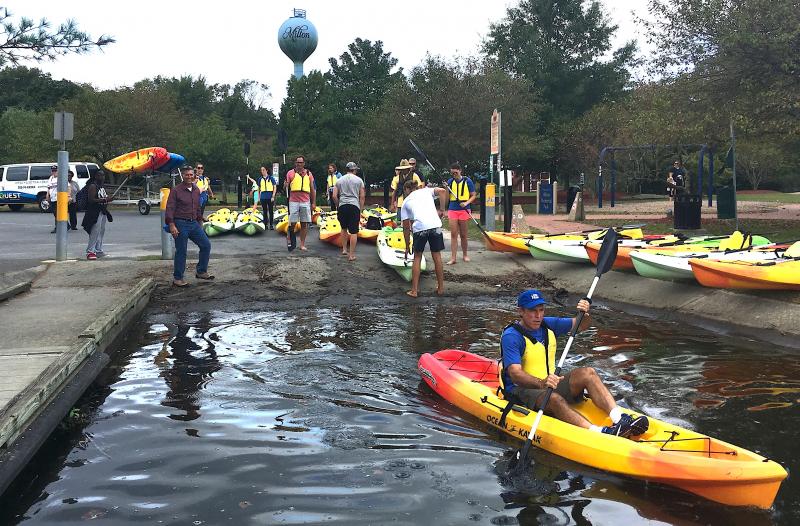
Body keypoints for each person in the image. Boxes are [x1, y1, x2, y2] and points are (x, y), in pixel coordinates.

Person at [499, 290, 649, 438]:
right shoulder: (512, 336)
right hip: (521, 391)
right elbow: (515, 374)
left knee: (588, 373)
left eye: (541, 310)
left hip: (550, 383)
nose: (538, 316)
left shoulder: (547, 325)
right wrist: (541, 382)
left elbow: (579, 325)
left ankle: (619, 419)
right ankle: (601, 433)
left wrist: (583, 313)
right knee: (554, 399)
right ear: (521, 311)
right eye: (533, 311)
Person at [166, 165, 214, 287]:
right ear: (182, 176)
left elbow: (197, 207)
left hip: (193, 223)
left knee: (206, 245)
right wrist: (171, 225)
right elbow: (170, 208)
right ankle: (178, 278)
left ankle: (201, 271)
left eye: (191, 174)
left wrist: (200, 218)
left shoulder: (196, 189)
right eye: (186, 174)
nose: (189, 176)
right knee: (181, 251)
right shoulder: (176, 191)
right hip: (180, 223)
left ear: (194, 175)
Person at [400, 179, 447, 298]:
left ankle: (414, 291)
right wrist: (442, 210)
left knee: (417, 257)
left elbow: (406, 228)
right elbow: (442, 191)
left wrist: (406, 246)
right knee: (436, 256)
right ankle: (440, 288)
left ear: (406, 190)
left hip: (420, 228)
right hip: (435, 225)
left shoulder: (405, 202)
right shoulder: (426, 191)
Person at [444, 163, 476, 264]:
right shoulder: (450, 182)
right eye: (452, 173)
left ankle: (465, 255)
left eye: (456, 173)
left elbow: (473, 195)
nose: (454, 175)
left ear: (460, 171)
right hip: (452, 209)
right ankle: (453, 258)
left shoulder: (468, 181)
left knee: (463, 235)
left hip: (464, 209)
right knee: (453, 234)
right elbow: (447, 198)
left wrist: (466, 203)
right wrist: (446, 188)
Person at [333, 161, 366, 261]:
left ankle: (344, 249)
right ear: (354, 170)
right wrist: (360, 209)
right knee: (354, 231)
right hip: (354, 206)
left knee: (343, 228)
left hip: (343, 205)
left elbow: (334, 196)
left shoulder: (339, 180)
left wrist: (338, 205)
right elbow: (362, 196)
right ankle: (351, 255)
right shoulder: (359, 180)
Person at [285, 155, 316, 251]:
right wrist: (285, 185)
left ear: (304, 163)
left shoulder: (309, 174)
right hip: (293, 201)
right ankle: (290, 239)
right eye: (297, 162)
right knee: (293, 223)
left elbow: (312, 189)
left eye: (301, 162)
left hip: (305, 201)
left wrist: (313, 202)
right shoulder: (290, 173)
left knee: (304, 223)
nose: (299, 164)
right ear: (295, 163)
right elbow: (285, 187)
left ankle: (302, 244)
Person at [81, 169, 113, 260]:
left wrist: (106, 199)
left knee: (100, 232)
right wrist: (106, 200)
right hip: (94, 212)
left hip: (102, 211)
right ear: (95, 176)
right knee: (95, 232)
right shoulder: (93, 186)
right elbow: (91, 200)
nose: (102, 177)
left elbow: (103, 197)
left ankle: (98, 250)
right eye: (100, 175)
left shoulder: (101, 186)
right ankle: (90, 251)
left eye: (103, 175)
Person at [256, 165, 277, 229]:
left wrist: (273, 196)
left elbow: (274, 187)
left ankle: (271, 225)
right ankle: (265, 225)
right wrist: (259, 197)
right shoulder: (260, 179)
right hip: (263, 197)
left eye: (263, 170)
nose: (262, 171)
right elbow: (259, 188)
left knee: (271, 211)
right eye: (261, 170)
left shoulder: (271, 178)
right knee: (264, 211)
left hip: (270, 196)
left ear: (266, 170)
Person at [47, 165, 58, 233]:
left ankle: (57, 227)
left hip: (59, 198)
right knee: (55, 213)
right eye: (52, 170)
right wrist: (47, 195)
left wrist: (68, 196)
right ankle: (66, 224)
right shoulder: (51, 178)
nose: (54, 172)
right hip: (53, 198)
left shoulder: (61, 178)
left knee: (57, 213)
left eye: (55, 170)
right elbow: (49, 187)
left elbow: (68, 187)